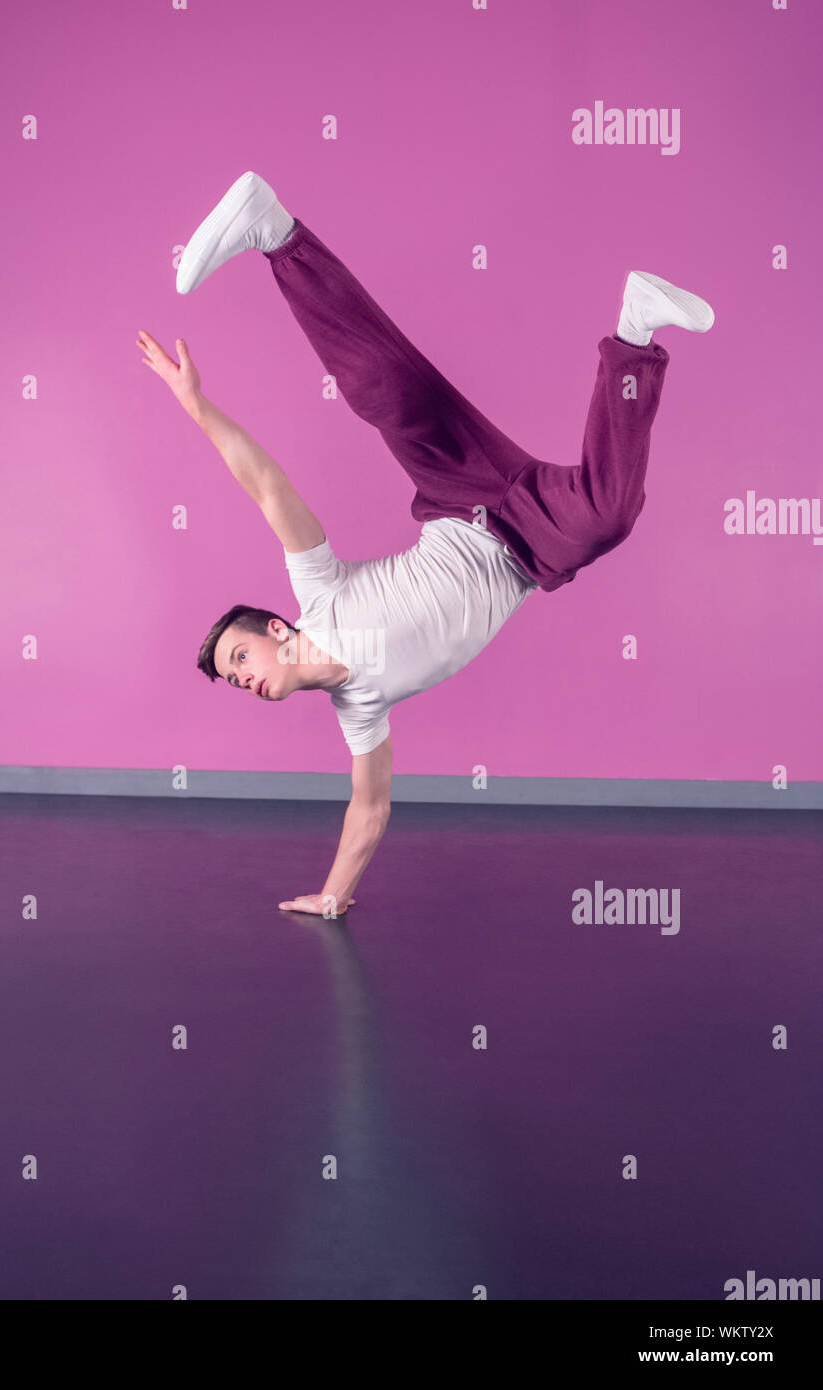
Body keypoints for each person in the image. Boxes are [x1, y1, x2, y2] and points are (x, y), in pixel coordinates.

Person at [136, 171, 715, 920]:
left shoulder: (320, 596)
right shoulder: (359, 710)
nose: (241, 676)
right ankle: (635, 332)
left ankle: (274, 232)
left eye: (239, 657)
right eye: (231, 677)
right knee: (607, 517)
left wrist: (196, 405)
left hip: (458, 492)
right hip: (525, 543)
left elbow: (269, 489)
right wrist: (333, 897)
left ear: (275, 630)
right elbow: (369, 811)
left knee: (381, 385)